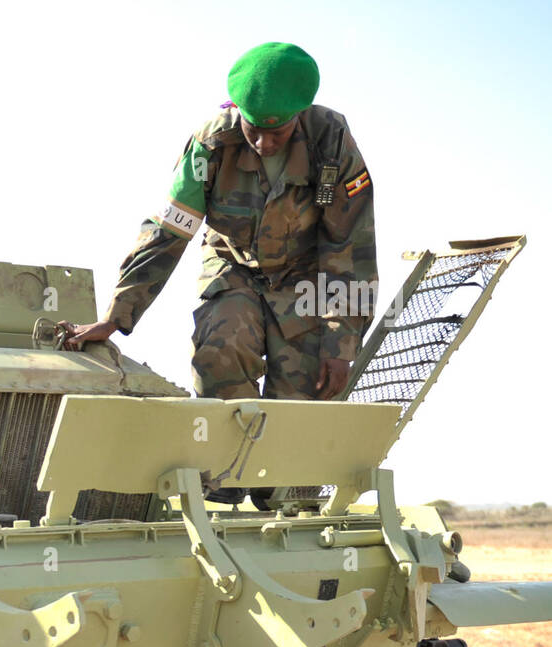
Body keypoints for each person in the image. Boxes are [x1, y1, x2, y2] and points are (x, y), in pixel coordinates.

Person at [62, 42, 376, 410]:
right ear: (238, 111)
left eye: (278, 133)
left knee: (305, 402)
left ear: (300, 113)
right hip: (234, 268)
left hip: (305, 279)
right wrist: (114, 317)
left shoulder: (332, 142)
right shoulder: (211, 145)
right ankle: (223, 463)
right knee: (219, 354)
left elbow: (350, 247)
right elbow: (169, 232)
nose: (263, 143)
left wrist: (341, 346)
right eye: (253, 128)